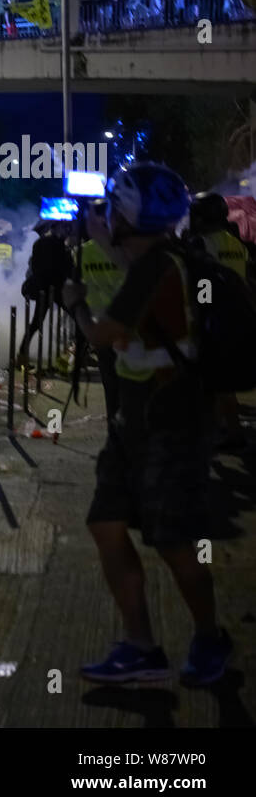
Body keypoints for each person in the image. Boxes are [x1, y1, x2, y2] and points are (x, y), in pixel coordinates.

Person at [63, 162, 231, 687]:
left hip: (169, 425)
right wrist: (101, 238)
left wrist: (76, 306)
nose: (108, 215)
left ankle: (209, 638)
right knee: (106, 523)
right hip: (137, 422)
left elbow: (102, 335)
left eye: (114, 208)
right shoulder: (167, 259)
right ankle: (141, 648)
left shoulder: (154, 270)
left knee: (175, 541)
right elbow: (135, 278)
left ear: (129, 215)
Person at [186, 191, 249, 449]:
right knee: (223, 379)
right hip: (236, 314)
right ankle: (228, 430)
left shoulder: (201, 244)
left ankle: (227, 433)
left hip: (213, 318)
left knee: (213, 381)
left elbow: (203, 284)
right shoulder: (236, 244)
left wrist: (200, 314)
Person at [78, 200, 126, 422]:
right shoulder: (126, 249)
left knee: (110, 380)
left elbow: (77, 288)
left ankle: (114, 426)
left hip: (99, 324)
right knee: (129, 380)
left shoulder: (82, 252)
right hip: (126, 323)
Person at [19, 222, 73, 363]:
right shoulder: (59, 245)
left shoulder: (39, 243)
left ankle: (21, 354)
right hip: (55, 288)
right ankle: (77, 354)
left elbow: (34, 266)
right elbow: (66, 268)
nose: (66, 231)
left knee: (36, 323)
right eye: (64, 228)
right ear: (55, 228)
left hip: (43, 288)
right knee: (77, 316)